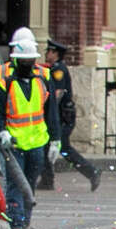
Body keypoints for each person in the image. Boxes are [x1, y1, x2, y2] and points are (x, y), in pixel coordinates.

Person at [0, 34, 58, 229]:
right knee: (16, 184)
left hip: (37, 141)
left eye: (31, 60)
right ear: (17, 61)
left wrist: (55, 139)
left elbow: (51, 112)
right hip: (15, 142)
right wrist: (2, 132)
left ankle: (26, 222)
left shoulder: (41, 82)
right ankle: (16, 223)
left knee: (30, 183)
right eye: (24, 60)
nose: (28, 64)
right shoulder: (5, 84)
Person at [40, 41, 101, 192]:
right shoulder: (53, 68)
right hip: (60, 115)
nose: (47, 54)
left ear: (55, 54)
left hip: (62, 116)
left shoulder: (59, 69)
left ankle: (92, 171)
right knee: (49, 146)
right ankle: (47, 179)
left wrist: (47, 106)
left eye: (49, 51)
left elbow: (58, 93)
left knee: (62, 146)